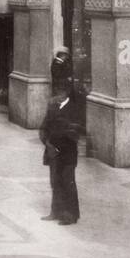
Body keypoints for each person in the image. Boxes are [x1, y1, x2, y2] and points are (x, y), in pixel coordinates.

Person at [40, 83, 80, 225]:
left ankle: (71, 215)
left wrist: (63, 132)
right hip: (53, 152)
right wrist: (47, 144)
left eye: (61, 92)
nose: (58, 95)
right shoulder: (52, 108)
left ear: (67, 93)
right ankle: (55, 212)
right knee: (55, 181)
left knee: (68, 182)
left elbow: (76, 132)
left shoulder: (74, 109)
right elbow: (43, 128)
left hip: (68, 153)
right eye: (56, 92)